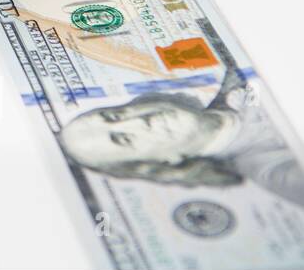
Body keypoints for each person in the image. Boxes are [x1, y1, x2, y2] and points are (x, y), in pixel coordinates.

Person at [59, 69, 304, 207]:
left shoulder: (235, 71)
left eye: (113, 116)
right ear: (162, 162)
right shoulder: (275, 172)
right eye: (124, 139)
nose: (137, 121)